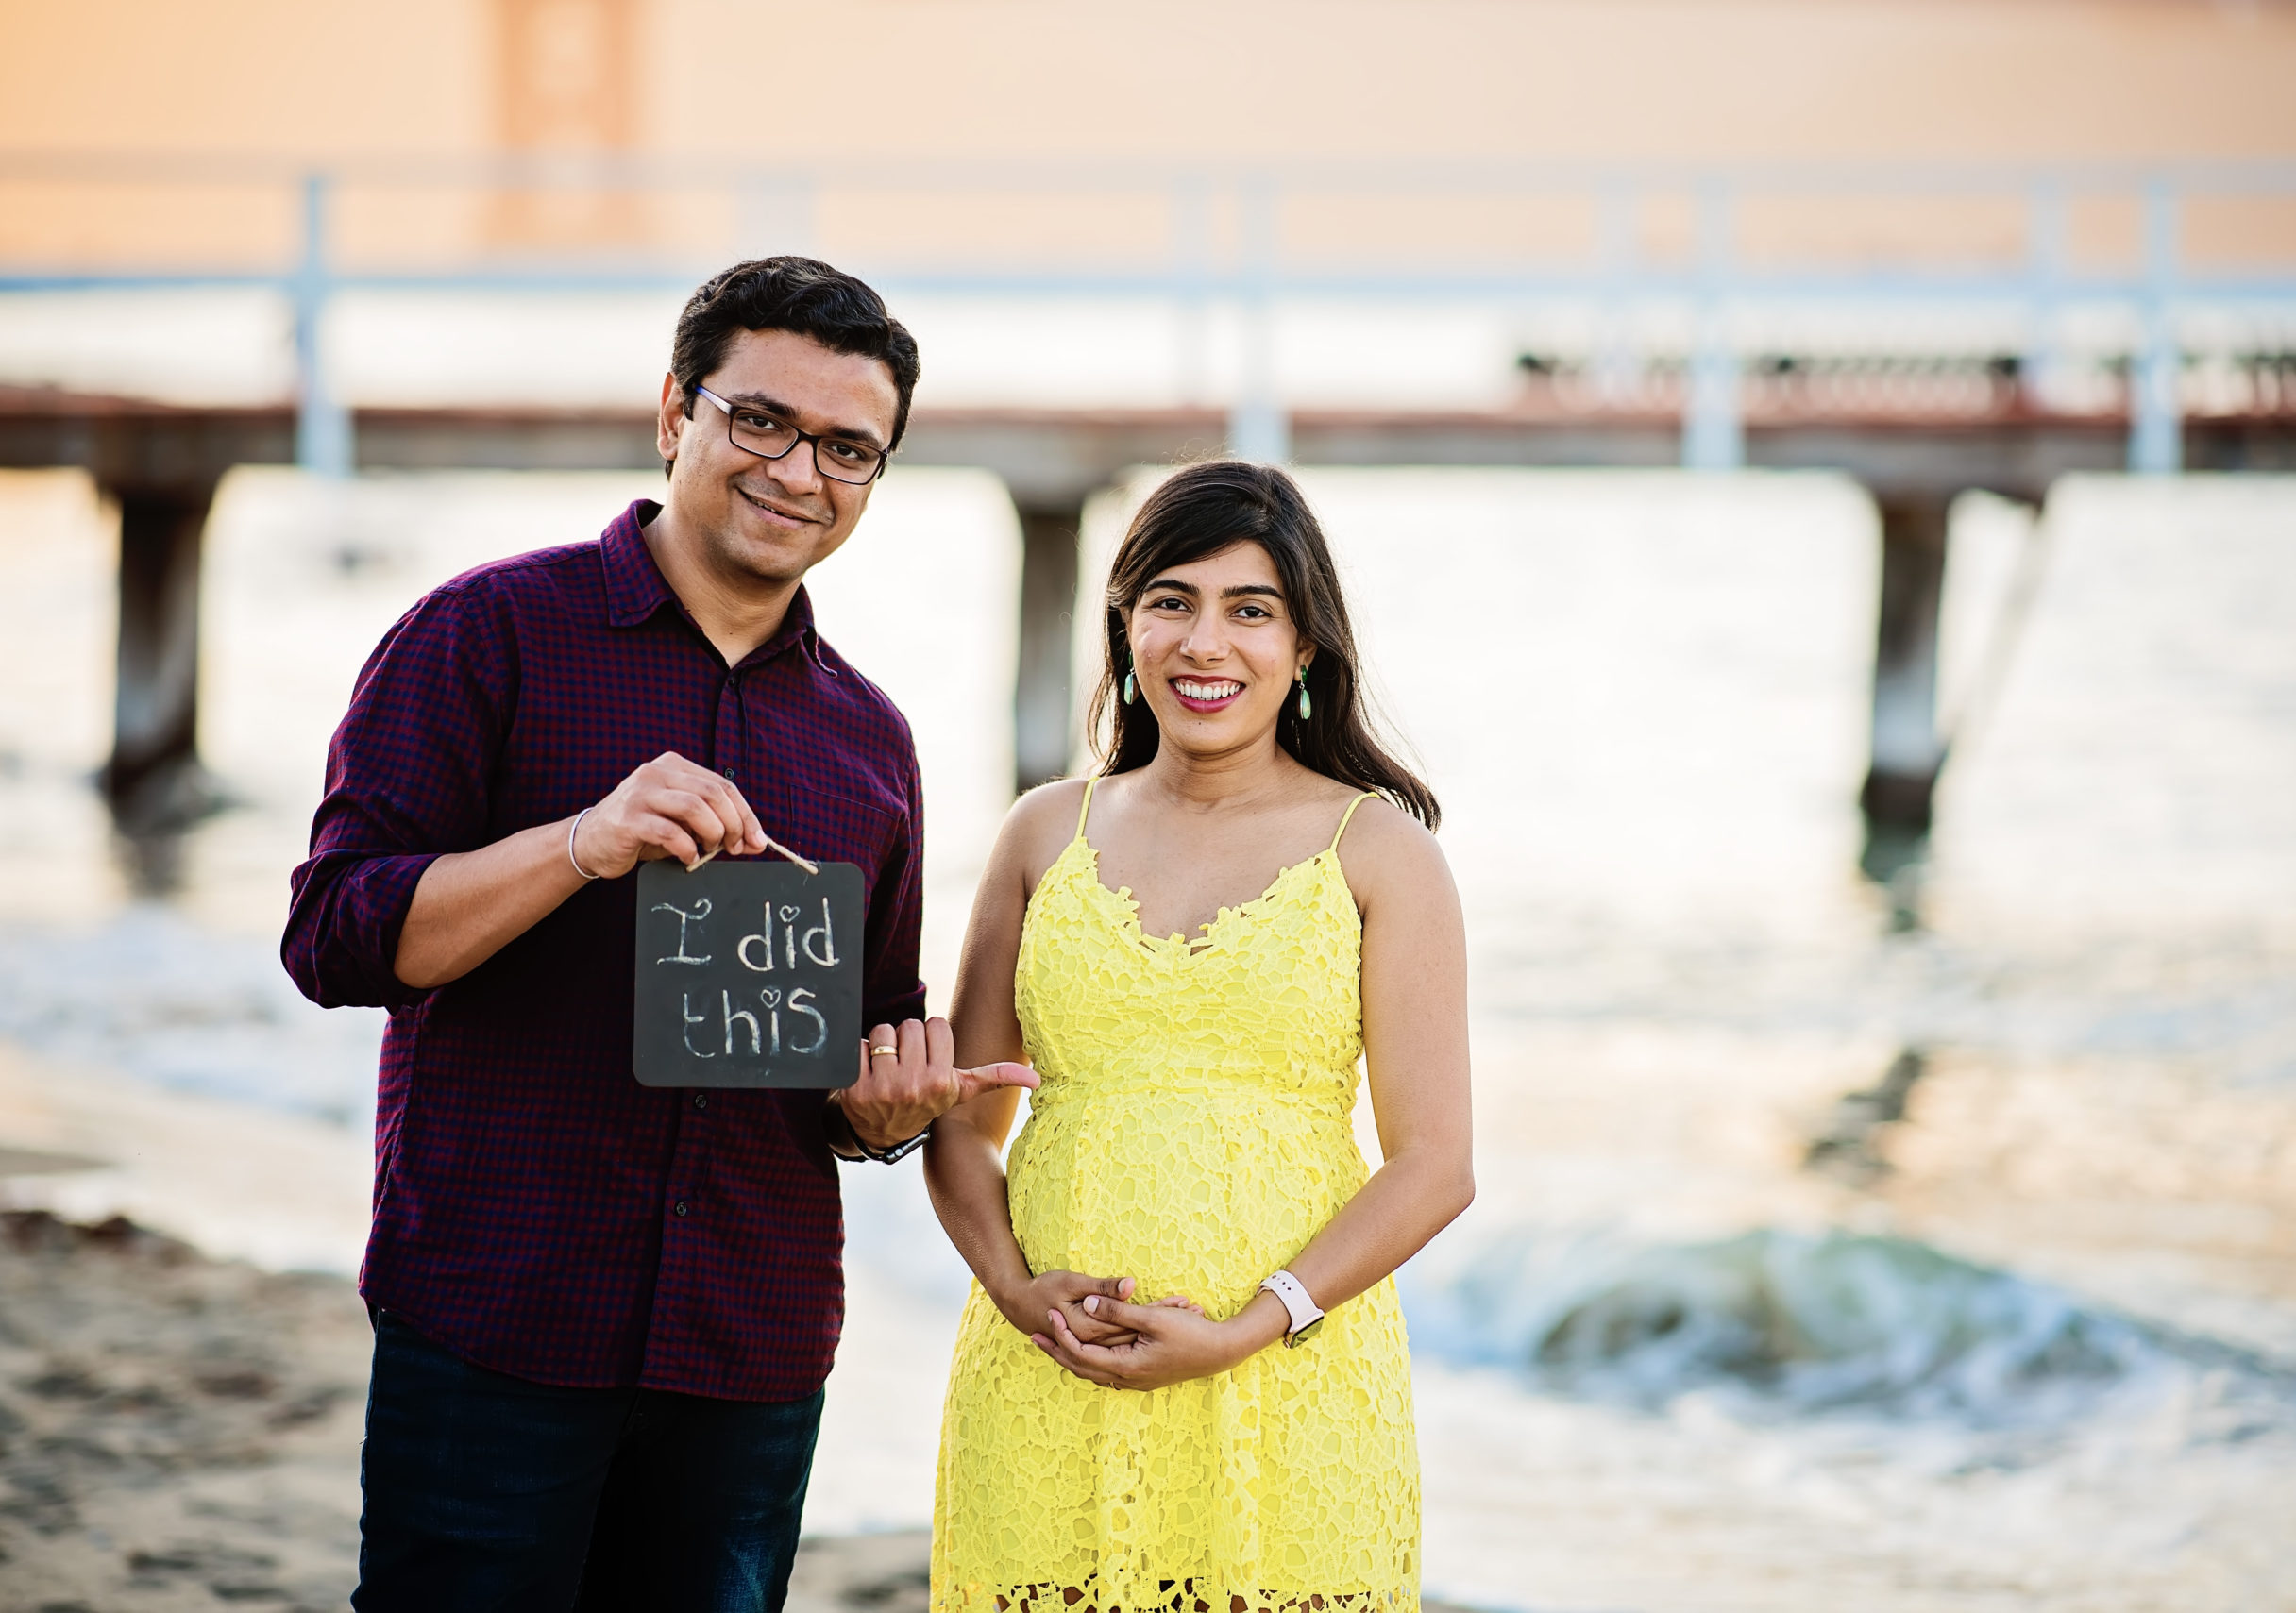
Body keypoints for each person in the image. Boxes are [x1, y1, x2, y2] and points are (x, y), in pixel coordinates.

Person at [282, 256, 1035, 1612]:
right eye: (761, 420)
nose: (800, 471)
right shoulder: (484, 635)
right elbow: (334, 938)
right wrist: (581, 843)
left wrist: (893, 1110)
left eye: (848, 448)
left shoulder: (869, 744)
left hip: (749, 1353)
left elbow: (847, 1074)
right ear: (674, 412)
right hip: (498, 1321)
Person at [924, 462, 1476, 1613]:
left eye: (1251, 609)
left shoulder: (1379, 851)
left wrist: (1245, 1327)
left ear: (1306, 647)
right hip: (1046, 1373)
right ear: (1123, 624)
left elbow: (1435, 1167)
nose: (1204, 642)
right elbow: (964, 1126)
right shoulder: (1041, 833)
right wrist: (1016, 1289)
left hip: (1287, 1379)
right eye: (1171, 600)